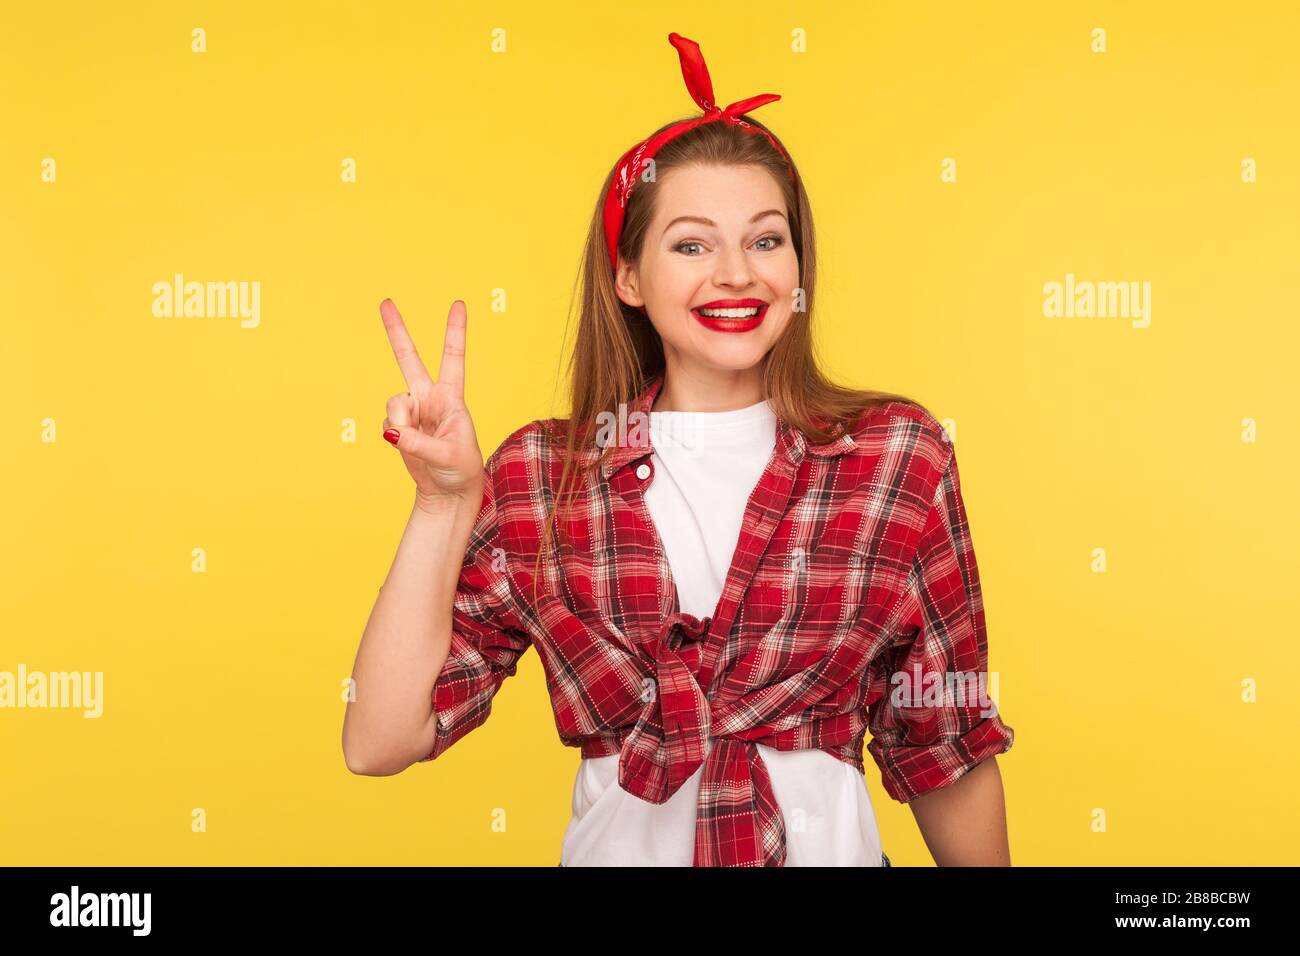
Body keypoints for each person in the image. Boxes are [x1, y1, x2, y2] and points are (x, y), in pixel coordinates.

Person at [342, 32, 1014, 867]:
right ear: (628, 276)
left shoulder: (895, 458)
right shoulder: (545, 477)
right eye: (691, 245)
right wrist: (443, 502)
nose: (736, 273)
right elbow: (380, 740)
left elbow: (943, 742)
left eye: (765, 240)